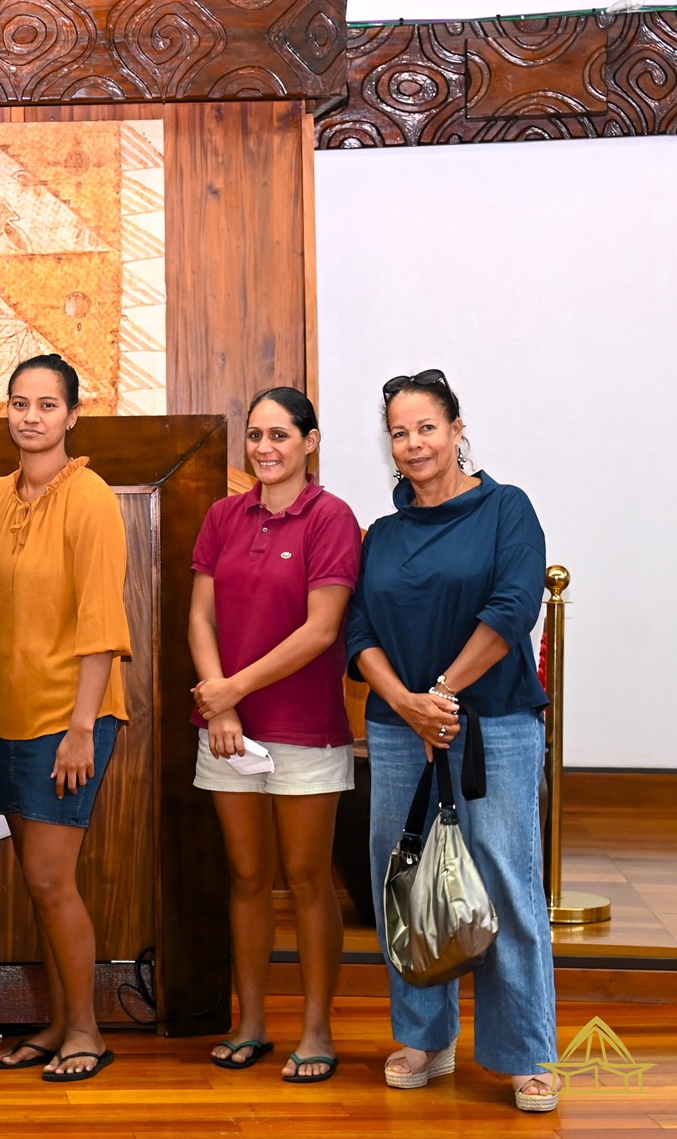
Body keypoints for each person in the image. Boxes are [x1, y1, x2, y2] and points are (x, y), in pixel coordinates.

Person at [348, 369, 558, 1113]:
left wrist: (444, 692)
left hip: (491, 727)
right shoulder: (385, 533)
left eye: (426, 428)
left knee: (504, 882)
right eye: (399, 432)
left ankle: (526, 1049)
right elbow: (359, 631)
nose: (413, 444)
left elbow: (511, 609)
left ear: (457, 428)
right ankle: (426, 1036)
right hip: (402, 729)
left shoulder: (506, 509)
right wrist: (408, 702)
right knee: (404, 882)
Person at [188, 387, 360, 1083]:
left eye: (280, 434)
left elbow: (322, 630)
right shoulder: (224, 515)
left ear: (310, 442)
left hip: (306, 728)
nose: (264, 447)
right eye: (255, 434)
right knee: (247, 876)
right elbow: (202, 618)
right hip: (227, 727)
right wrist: (222, 704)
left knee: (307, 879)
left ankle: (316, 1029)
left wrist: (234, 687)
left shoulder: (332, 517)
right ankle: (250, 1019)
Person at [0, 355, 131, 1085]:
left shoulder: (92, 496)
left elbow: (103, 622)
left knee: (52, 879)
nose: (30, 416)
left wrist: (79, 727)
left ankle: (88, 1030)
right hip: (6, 714)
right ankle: (61, 1018)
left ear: (72, 415)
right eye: (19, 402)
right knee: (37, 883)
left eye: (46, 404)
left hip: (68, 717)